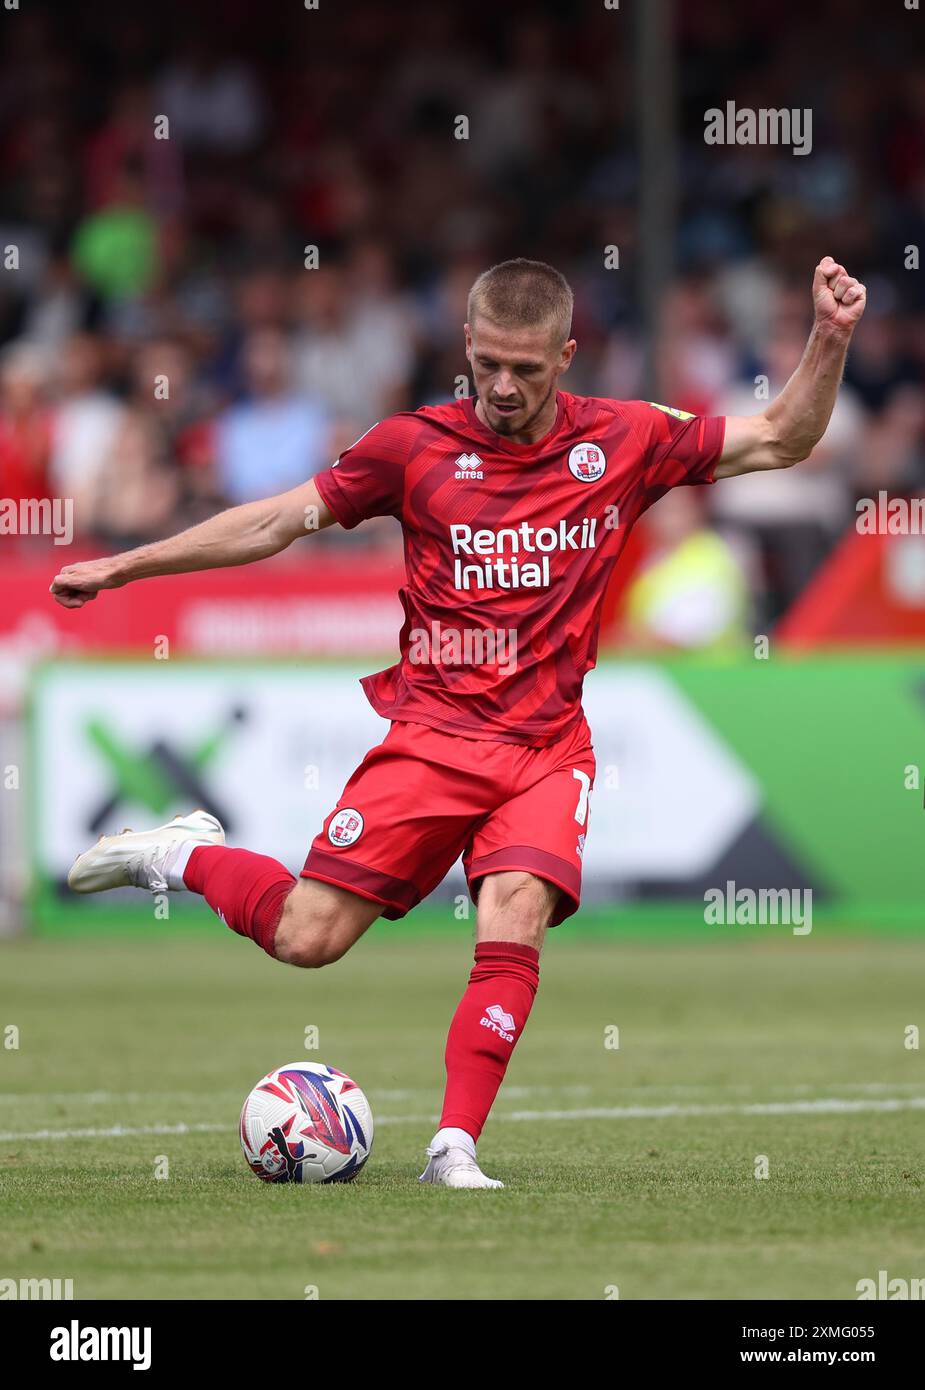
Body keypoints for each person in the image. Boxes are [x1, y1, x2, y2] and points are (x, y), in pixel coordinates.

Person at [51, 255, 866, 1188]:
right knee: (306, 940)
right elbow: (277, 521)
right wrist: (127, 565)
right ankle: (178, 854)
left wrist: (828, 337)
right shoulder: (412, 447)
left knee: (513, 917)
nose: (503, 388)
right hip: (434, 738)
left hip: (548, 747)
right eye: (486, 365)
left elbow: (780, 439)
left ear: (566, 356)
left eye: (525, 368)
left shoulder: (626, 438)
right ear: (465, 350)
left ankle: (452, 1148)